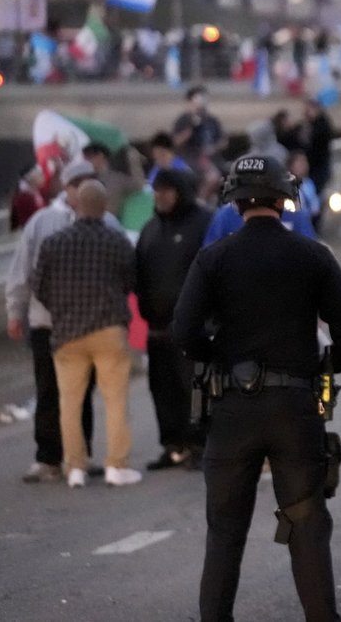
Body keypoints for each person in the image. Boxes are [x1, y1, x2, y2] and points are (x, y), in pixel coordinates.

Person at [173, 153, 341, 622]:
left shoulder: (213, 258)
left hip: (232, 410)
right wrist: (323, 368)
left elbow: (183, 334)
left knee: (224, 530)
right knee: (306, 523)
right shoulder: (312, 255)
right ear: (286, 198)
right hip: (295, 408)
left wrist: (219, 358)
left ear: (233, 202)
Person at [5, 160, 119, 483]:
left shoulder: (108, 222)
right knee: (48, 391)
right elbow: (23, 271)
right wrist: (16, 311)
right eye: (76, 184)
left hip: (89, 323)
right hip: (48, 322)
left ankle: (79, 457)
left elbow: (124, 268)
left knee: (82, 394)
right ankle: (48, 457)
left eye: (89, 183)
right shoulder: (43, 222)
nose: (82, 190)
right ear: (65, 188)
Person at [31, 180, 141, 488]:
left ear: (76, 205)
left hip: (67, 332)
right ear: (105, 207)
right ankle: (116, 466)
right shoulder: (116, 241)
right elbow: (130, 281)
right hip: (108, 329)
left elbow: (39, 287)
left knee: (69, 403)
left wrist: (63, 308)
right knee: (115, 400)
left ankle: (75, 468)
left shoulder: (54, 242)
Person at [135, 168, 213, 471]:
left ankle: (200, 445)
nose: (161, 195)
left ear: (181, 191)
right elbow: (138, 271)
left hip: (193, 327)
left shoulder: (204, 223)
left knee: (194, 388)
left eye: (167, 189)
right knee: (162, 389)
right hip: (156, 329)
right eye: (157, 190)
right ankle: (174, 445)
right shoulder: (150, 229)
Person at [82, 142, 145, 219]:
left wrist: (133, 161)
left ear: (100, 156)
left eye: (89, 158)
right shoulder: (85, 179)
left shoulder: (117, 178)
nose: (86, 162)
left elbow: (138, 185)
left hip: (108, 221)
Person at [9, 164, 47, 231]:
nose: (43, 177)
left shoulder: (37, 193)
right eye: (39, 175)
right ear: (32, 179)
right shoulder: (23, 198)